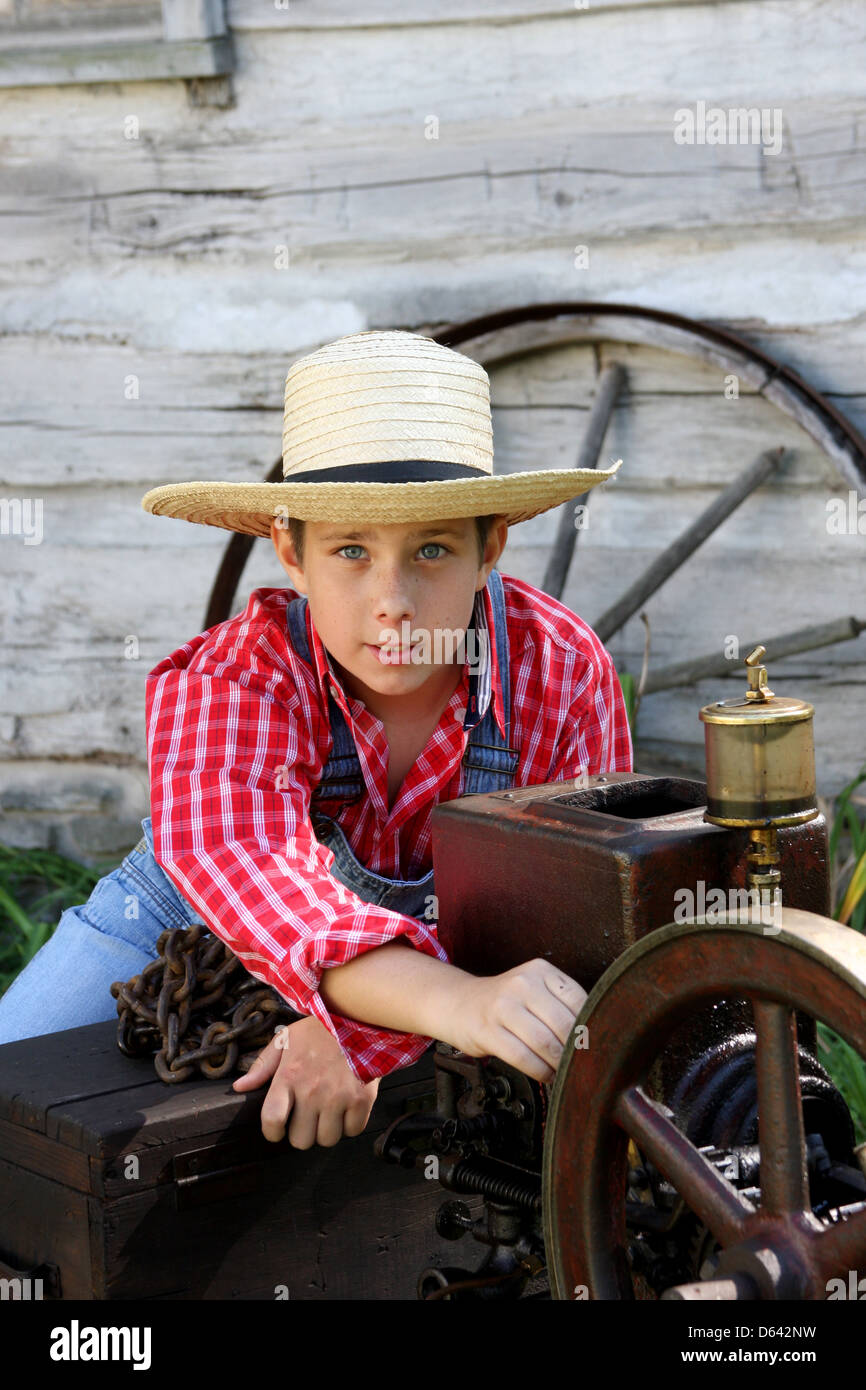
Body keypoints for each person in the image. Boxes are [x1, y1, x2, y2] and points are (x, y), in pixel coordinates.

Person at [0, 330, 632, 1149]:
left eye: (432, 549)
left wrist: (364, 1031)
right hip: (179, 922)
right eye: (351, 552)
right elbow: (257, 873)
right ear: (291, 553)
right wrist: (393, 1010)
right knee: (15, 1095)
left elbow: (571, 910)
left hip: (443, 957)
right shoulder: (233, 678)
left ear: (491, 547)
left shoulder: (558, 670)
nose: (392, 602)